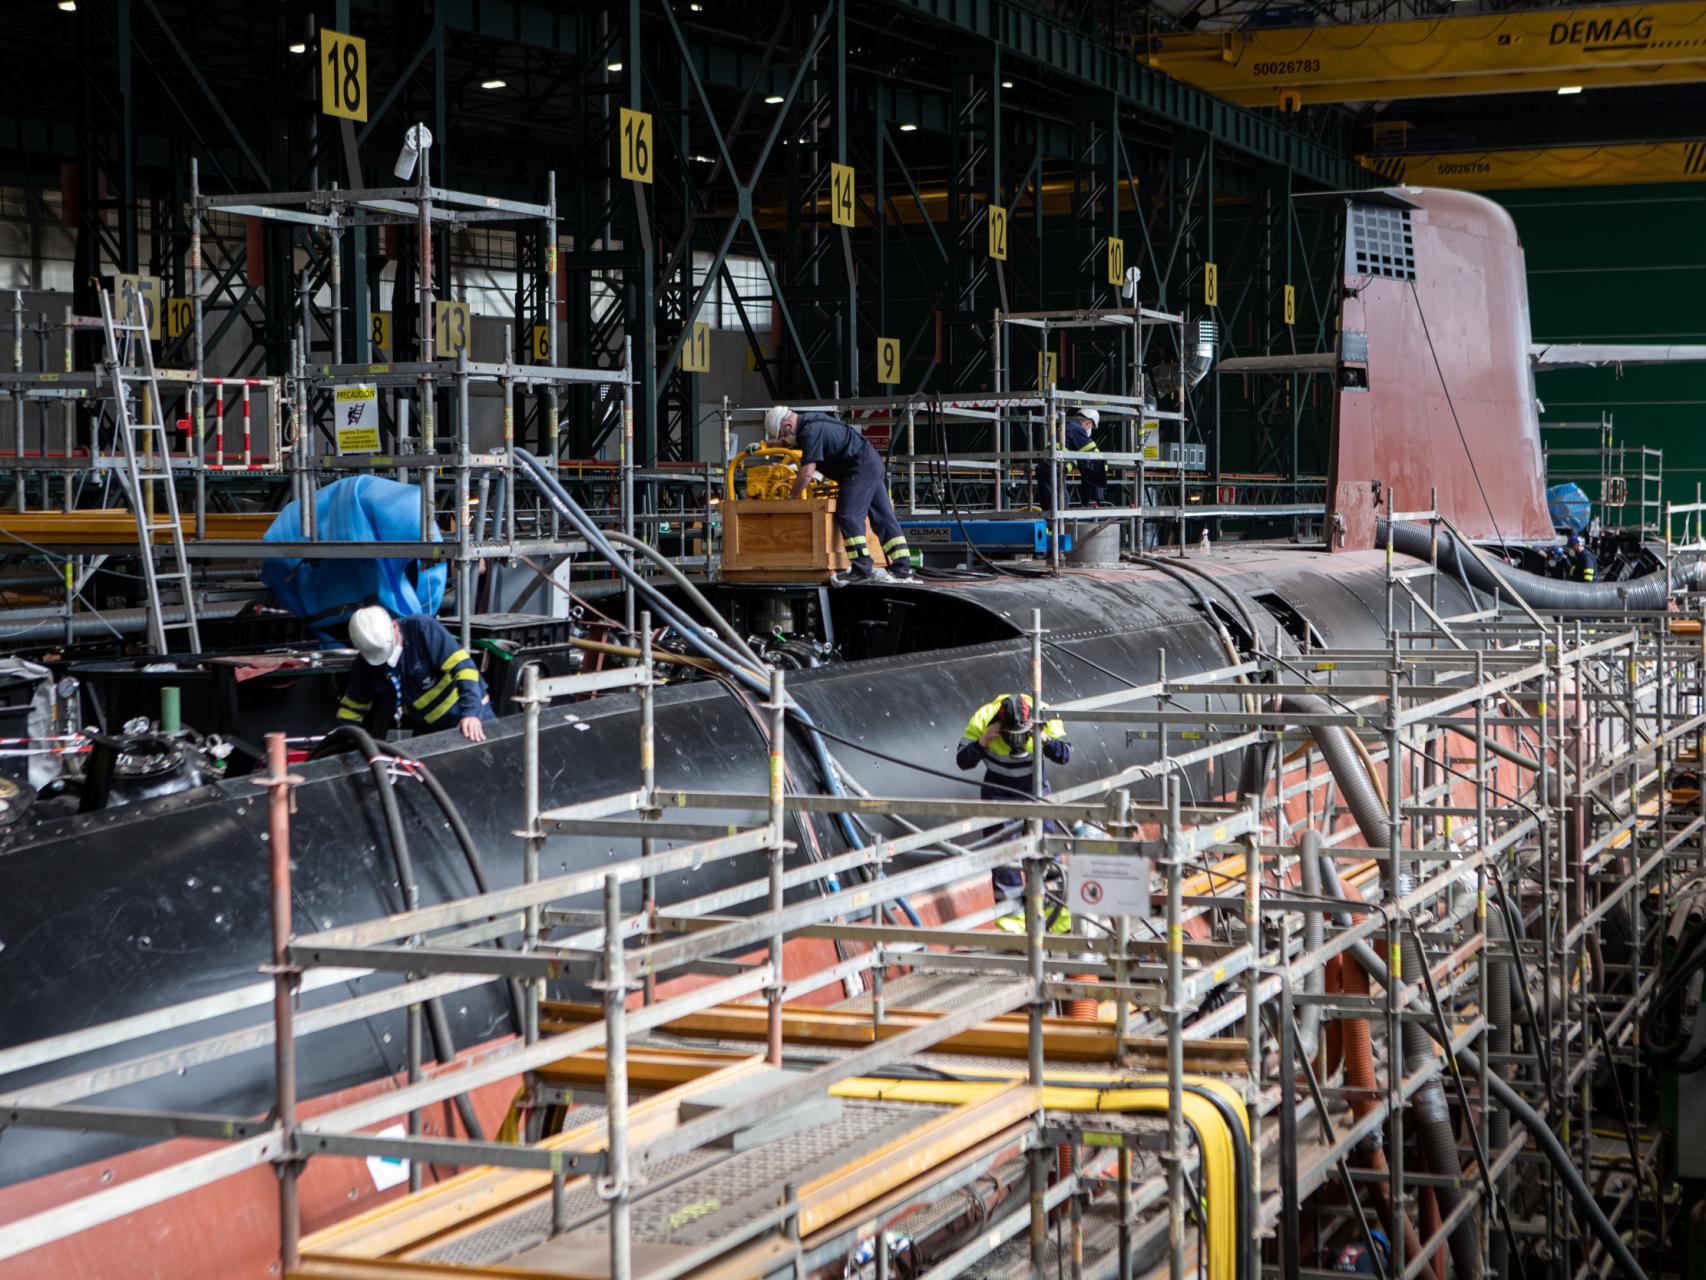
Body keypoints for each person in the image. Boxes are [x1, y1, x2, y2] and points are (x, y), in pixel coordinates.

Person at [956, 692, 1071, 931]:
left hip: (1035, 790)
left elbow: (1065, 755)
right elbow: (962, 761)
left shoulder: (1045, 715)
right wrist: (983, 742)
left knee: (1048, 852)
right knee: (1004, 858)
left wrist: (1046, 740)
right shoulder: (983, 719)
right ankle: (1013, 923)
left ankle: (1056, 918)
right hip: (999, 794)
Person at [764, 405, 914, 584]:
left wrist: (792, 499)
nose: (784, 439)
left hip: (860, 466)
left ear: (788, 425)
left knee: (848, 515)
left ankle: (862, 568)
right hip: (870, 461)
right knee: (882, 516)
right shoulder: (811, 421)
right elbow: (791, 442)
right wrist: (764, 446)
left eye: (781, 434)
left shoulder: (809, 431)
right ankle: (902, 568)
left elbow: (806, 473)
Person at [336, 606, 495, 742]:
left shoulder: (422, 628)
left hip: (467, 714)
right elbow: (352, 708)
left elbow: (464, 669)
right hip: (428, 729)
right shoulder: (365, 664)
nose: (388, 661)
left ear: (395, 627)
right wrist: (340, 741)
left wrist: (471, 713)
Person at [1035, 407, 1106, 512]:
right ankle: (1057, 528)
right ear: (1088, 423)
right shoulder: (1076, 429)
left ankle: (1051, 528)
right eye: (1091, 426)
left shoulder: (1067, 427)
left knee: (1049, 504)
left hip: (1045, 468)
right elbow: (1094, 452)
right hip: (1053, 468)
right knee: (1061, 504)